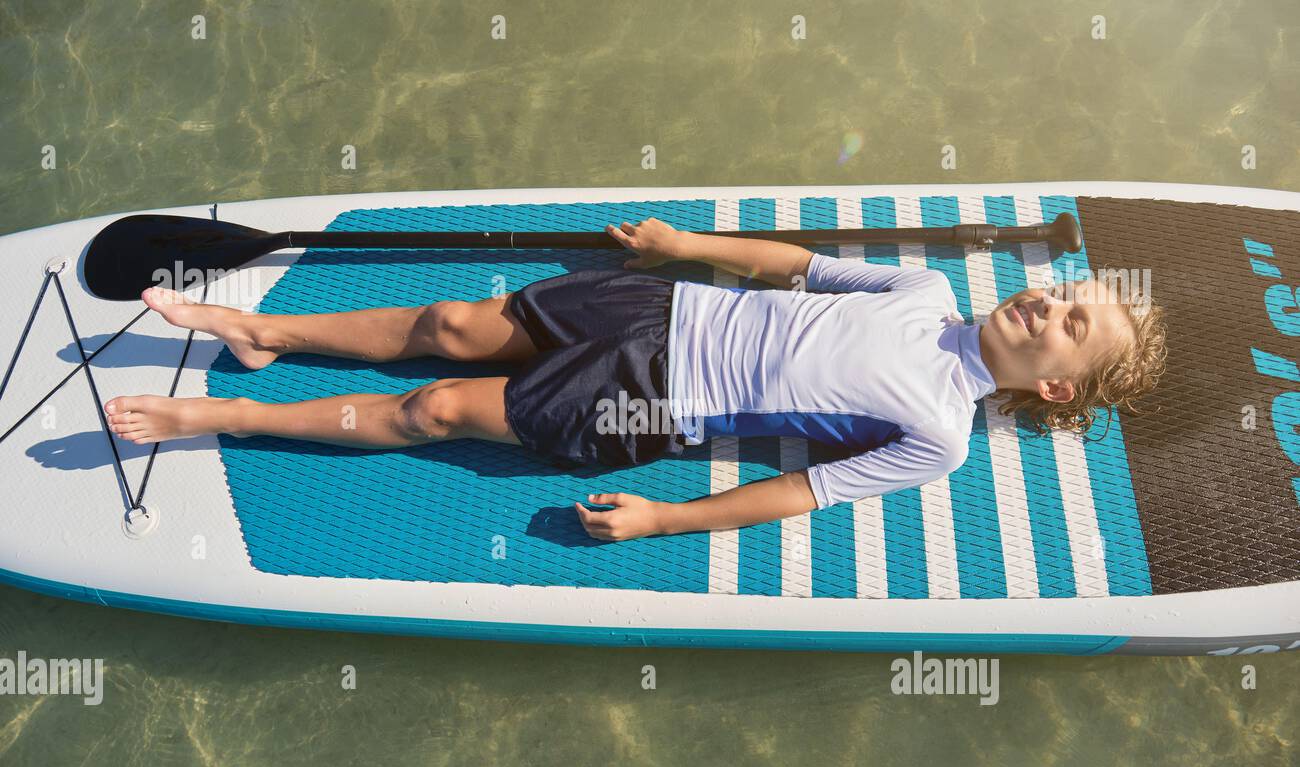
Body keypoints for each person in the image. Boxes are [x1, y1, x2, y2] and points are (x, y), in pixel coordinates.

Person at [103, 217, 1166, 542]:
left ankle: (225, 412)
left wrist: (665, 521)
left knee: (436, 406)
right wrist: (680, 240)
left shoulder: (939, 436)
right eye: (1061, 288)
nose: (1047, 302)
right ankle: (265, 333)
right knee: (449, 323)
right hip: (658, 308)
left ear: (1059, 387)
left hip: (657, 402)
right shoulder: (921, 287)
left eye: (1072, 323)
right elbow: (793, 268)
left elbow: (798, 489)